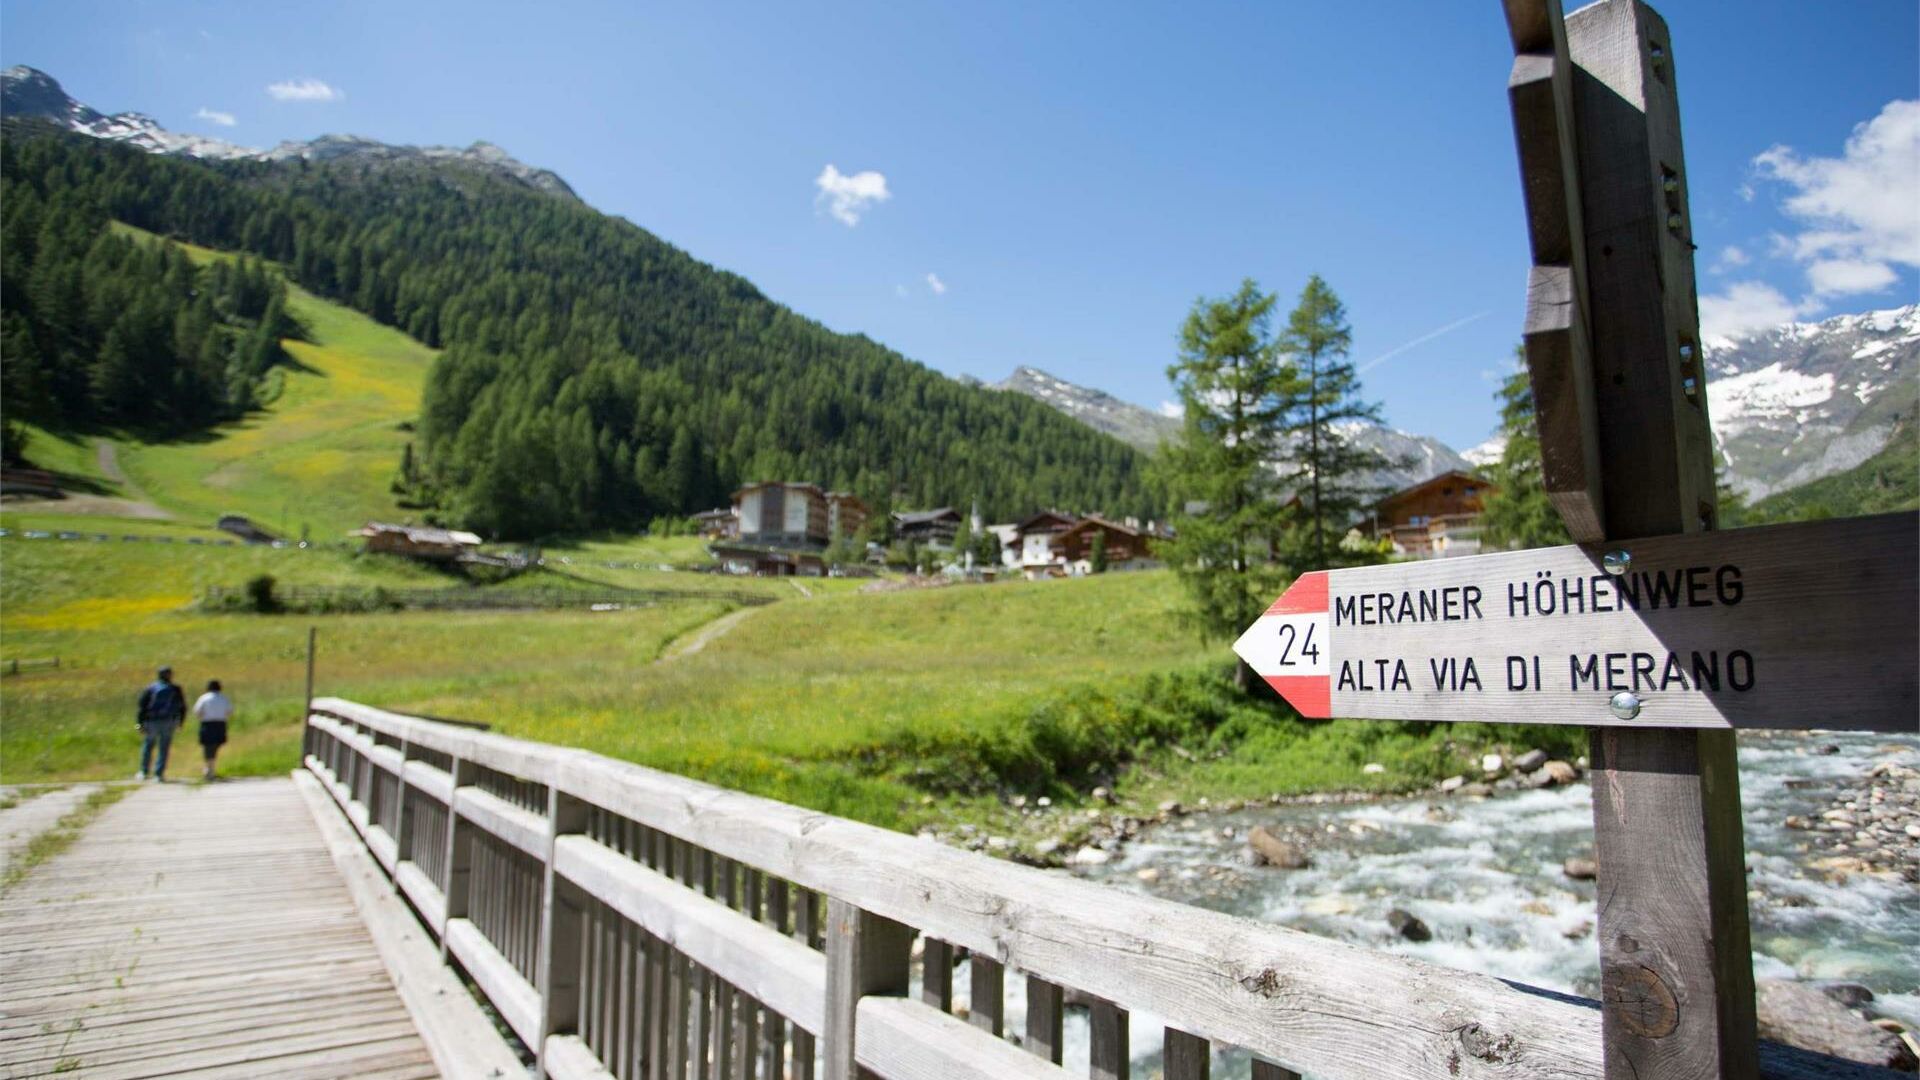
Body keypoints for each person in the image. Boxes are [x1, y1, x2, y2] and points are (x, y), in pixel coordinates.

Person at [135, 666, 186, 782]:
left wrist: (139, 725)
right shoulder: (175, 689)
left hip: (151, 721)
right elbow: (182, 707)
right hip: (169, 721)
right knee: (164, 747)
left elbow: (141, 708)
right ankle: (159, 774)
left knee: (148, 746)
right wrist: (180, 722)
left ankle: (144, 771)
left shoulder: (150, 688)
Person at [193, 679, 233, 780]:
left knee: (207, 746)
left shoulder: (204, 698)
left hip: (207, 724)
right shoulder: (224, 698)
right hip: (220, 724)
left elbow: (197, 711)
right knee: (215, 746)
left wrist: (202, 718)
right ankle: (210, 769)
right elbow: (229, 712)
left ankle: (208, 768)